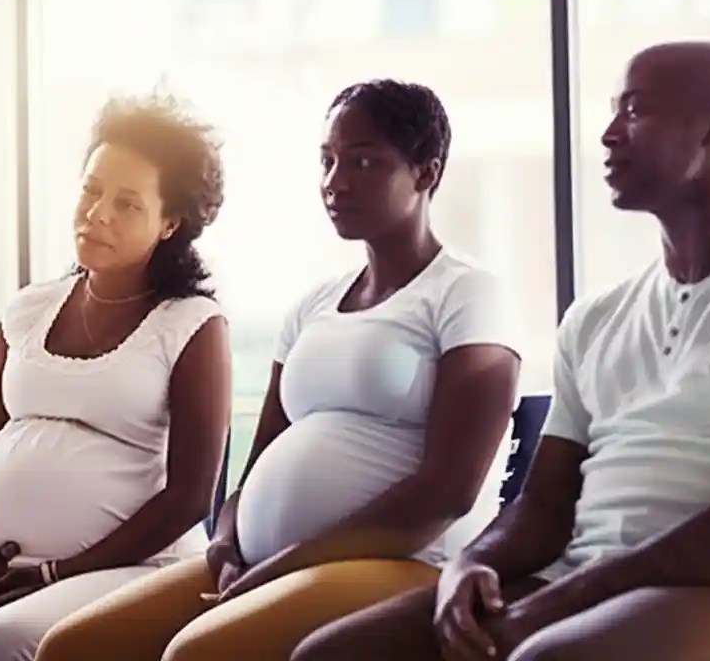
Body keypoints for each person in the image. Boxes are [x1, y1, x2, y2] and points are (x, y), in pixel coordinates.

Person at [293, 42, 710, 661]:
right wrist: (470, 565)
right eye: (613, 110)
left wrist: (571, 596)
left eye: (635, 111)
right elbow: (546, 504)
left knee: (542, 657)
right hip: (581, 574)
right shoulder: (596, 317)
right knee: (331, 654)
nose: (608, 134)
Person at [36, 80, 522, 661]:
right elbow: (259, 460)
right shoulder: (315, 305)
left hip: (403, 562)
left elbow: (448, 491)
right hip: (269, 561)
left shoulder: (468, 294)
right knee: (72, 648)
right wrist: (224, 542)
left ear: (426, 172)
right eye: (328, 160)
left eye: (364, 162)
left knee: (198, 655)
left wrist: (290, 562)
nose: (336, 180)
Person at [0, 92, 232, 661]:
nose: (98, 213)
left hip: (136, 568)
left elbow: (190, 496)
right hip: (0, 570)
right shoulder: (26, 310)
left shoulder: (191, 324)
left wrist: (59, 571)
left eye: (127, 203)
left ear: (170, 223)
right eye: (91, 190)